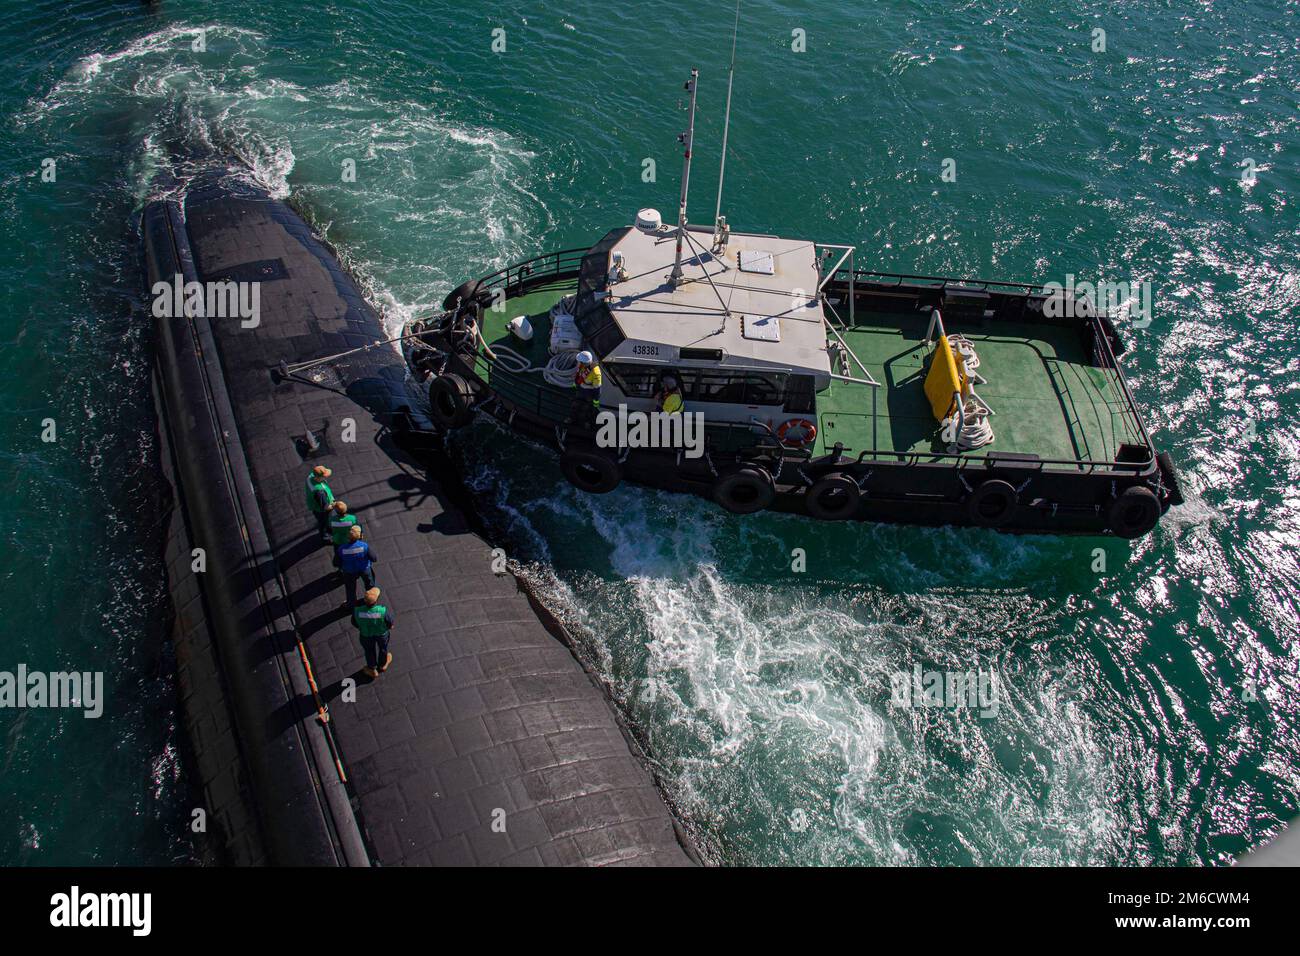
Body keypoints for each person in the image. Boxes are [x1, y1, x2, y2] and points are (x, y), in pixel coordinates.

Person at [351, 587, 394, 679]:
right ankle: (382, 665)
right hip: (381, 634)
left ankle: (372, 669)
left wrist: (361, 627)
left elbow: (354, 622)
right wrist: (390, 626)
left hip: (366, 635)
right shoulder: (382, 611)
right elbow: (389, 621)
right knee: (383, 648)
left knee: (369, 650)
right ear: (376, 601)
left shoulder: (357, 611)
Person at [334, 525, 377, 605]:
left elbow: (336, 563)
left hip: (349, 571)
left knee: (350, 588)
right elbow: (374, 558)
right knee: (370, 584)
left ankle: (351, 603)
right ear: (360, 536)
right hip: (364, 569)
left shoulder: (341, 549)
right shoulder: (364, 546)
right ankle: (371, 598)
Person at [305, 465, 334, 541]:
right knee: (324, 522)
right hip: (321, 511)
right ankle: (326, 538)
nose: (326, 477)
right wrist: (334, 505)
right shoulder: (319, 491)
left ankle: (328, 530)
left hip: (314, 505)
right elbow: (326, 507)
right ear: (318, 478)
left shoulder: (310, 476)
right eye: (324, 476)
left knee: (324, 522)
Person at [573, 350, 602, 422]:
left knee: (587, 409)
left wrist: (596, 401)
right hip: (580, 391)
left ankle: (586, 423)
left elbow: (597, 389)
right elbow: (578, 377)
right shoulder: (582, 366)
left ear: (584, 363)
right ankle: (572, 418)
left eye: (579, 361)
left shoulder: (596, 373)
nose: (578, 362)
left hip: (589, 395)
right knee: (575, 405)